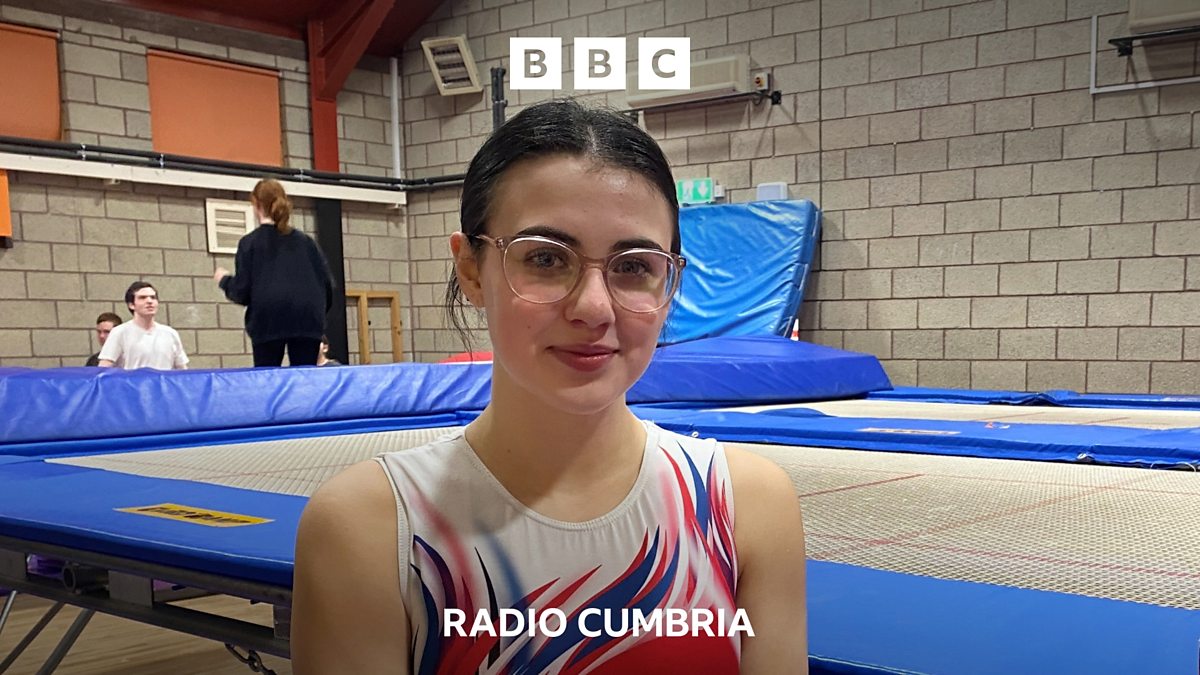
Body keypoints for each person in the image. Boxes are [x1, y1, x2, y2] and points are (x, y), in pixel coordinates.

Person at [291, 100, 808, 674]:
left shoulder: (747, 506)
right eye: (545, 258)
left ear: (671, 278)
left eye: (634, 266)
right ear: (470, 271)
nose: (593, 307)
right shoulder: (371, 528)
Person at [213, 178, 334, 367]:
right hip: (307, 319)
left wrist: (224, 280)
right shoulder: (307, 243)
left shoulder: (250, 243)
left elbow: (242, 291)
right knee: (305, 378)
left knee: (267, 376)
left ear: (256, 205)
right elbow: (327, 285)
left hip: (268, 319)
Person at [98, 282, 188, 370]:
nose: (149, 301)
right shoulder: (119, 332)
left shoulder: (170, 333)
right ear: (131, 305)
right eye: (142, 298)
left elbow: (182, 370)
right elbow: (103, 368)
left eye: (153, 297)